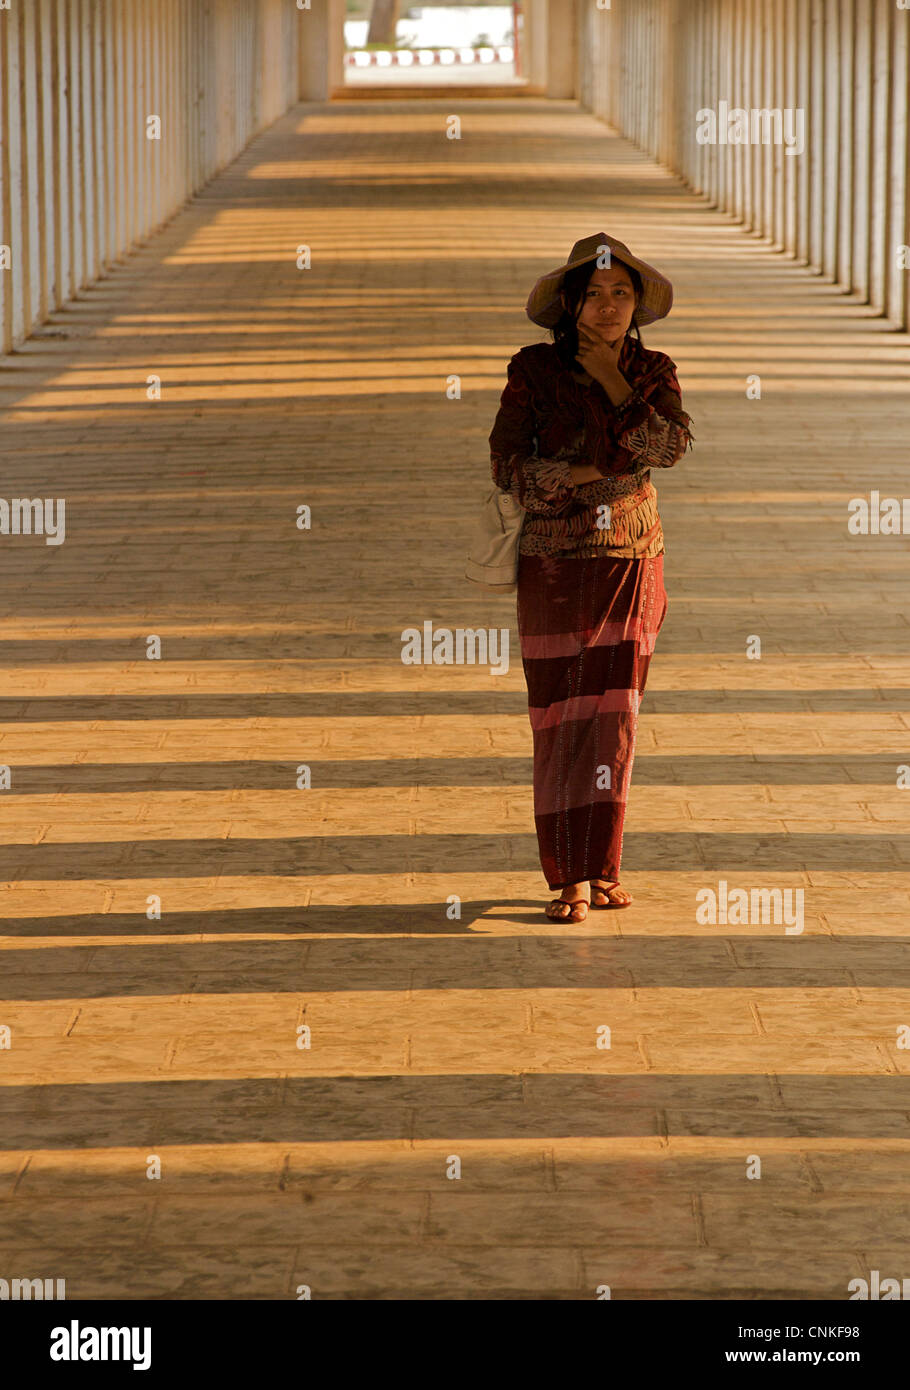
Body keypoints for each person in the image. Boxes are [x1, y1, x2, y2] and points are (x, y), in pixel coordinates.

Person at [488, 233, 694, 921]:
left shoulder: (655, 369)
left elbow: (666, 448)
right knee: (558, 718)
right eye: (594, 295)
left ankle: (602, 868)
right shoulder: (532, 371)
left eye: (621, 294)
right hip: (553, 566)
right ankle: (566, 877)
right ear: (570, 304)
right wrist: (594, 474)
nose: (607, 308)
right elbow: (510, 471)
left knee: (614, 718)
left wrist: (612, 380)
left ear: (636, 304)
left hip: (632, 562)